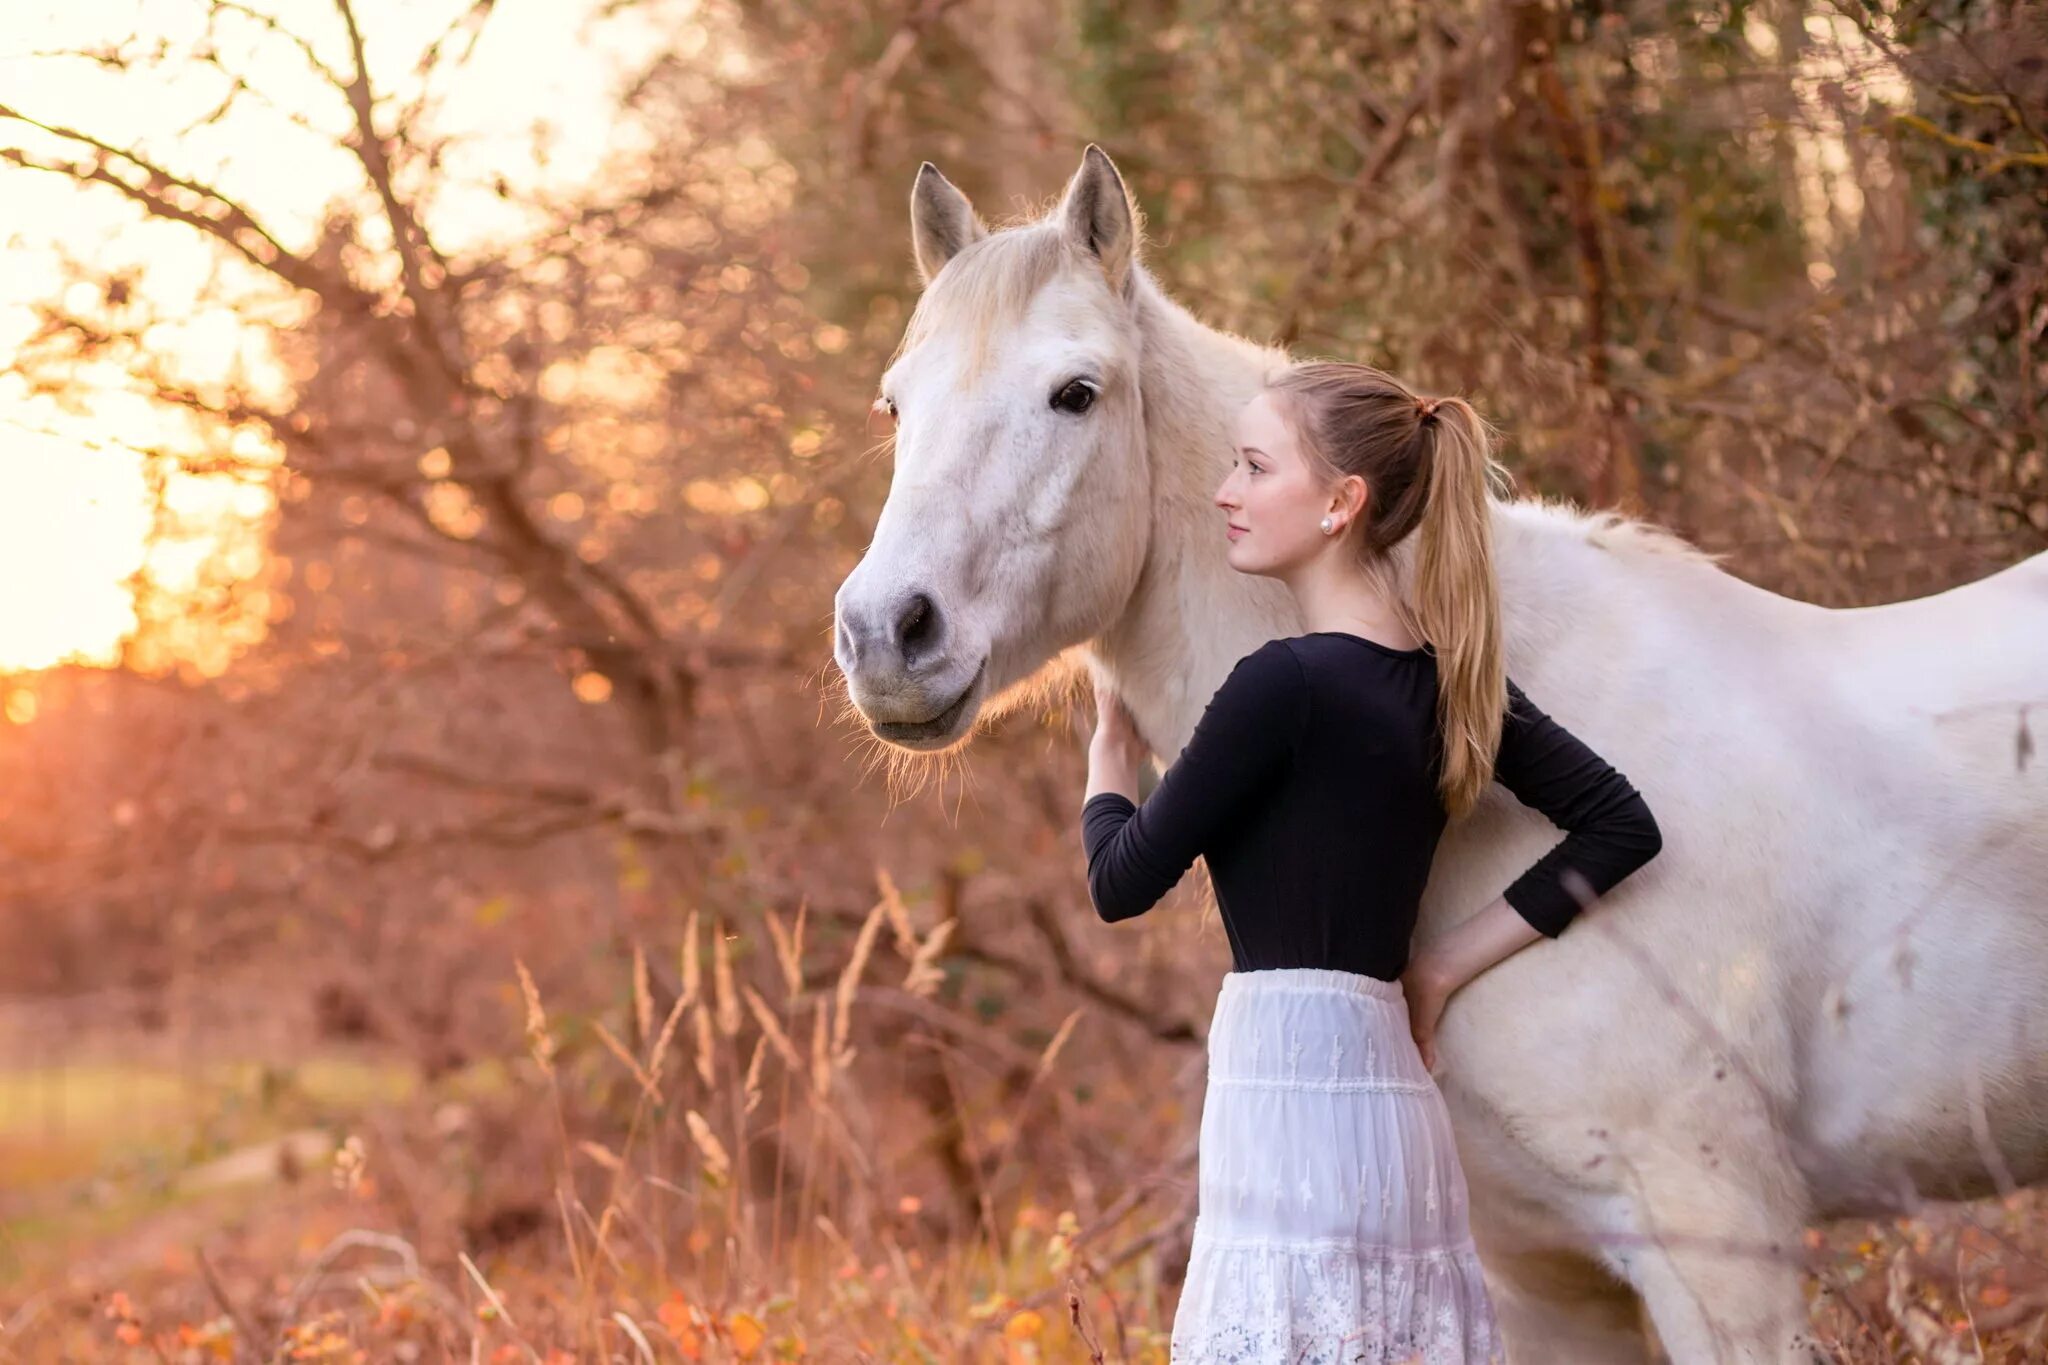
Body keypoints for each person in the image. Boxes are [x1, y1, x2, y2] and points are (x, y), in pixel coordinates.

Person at [1080, 361, 1663, 1364]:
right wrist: (1436, 971)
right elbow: (1618, 825)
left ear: (1340, 504)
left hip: (1285, 1091)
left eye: (1255, 467)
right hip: (1392, 1101)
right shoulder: (1448, 685)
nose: (1226, 492)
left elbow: (1118, 883)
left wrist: (1107, 765)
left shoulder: (1277, 686)